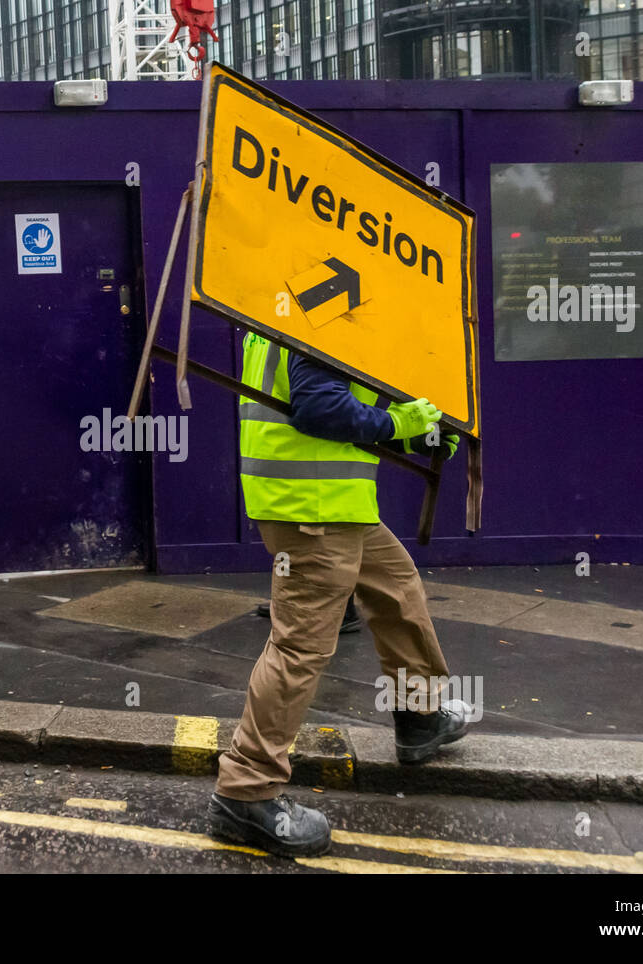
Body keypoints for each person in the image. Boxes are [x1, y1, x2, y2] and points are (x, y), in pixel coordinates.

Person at [207, 332, 474, 858]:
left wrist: (411, 435)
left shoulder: (291, 303)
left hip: (332, 504)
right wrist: (401, 423)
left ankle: (418, 717)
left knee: (397, 592)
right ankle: (245, 792)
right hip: (314, 510)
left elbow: (324, 404)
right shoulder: (323, 310)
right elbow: (320, 407)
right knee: (300, 649)